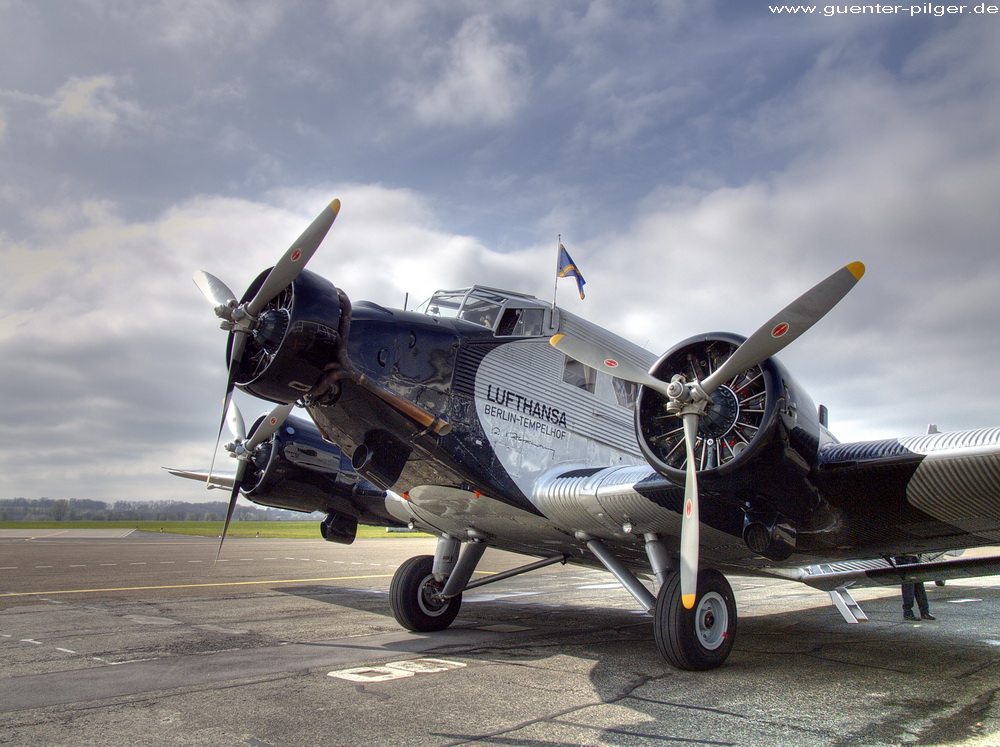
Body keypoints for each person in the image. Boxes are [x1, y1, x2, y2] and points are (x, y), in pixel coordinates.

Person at [894, 554, 935, 621]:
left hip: (913, 555)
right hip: (905, 555)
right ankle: (908, 612)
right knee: (909, 586)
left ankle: (924, 612)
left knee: (919, 585)